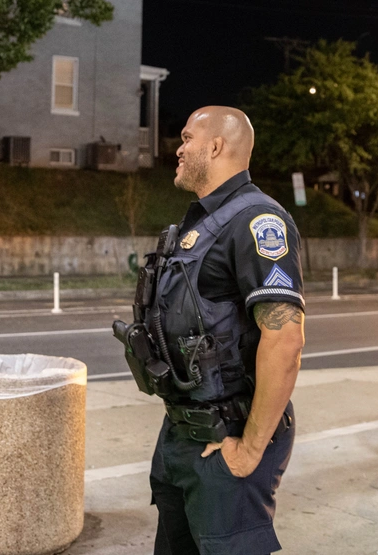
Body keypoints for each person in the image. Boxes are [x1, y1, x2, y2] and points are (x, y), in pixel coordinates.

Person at [141, 106, 305, 554]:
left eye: (186, 138)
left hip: (228, 437)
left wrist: (249, 450)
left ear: (215, 147)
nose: (178, 149)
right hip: (183, 434)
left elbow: (285, 340)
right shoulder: (202, 221)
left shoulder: (257, 220)